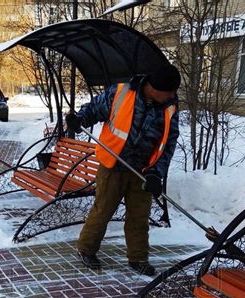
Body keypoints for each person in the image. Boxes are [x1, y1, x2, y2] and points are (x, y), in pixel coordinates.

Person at [65, 64, 181, 276]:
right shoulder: (121, 93)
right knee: (103, 210)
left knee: (139, 216)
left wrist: (157, 172)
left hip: (144, 171)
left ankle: (138, 258)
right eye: (169, 92)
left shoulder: (170, 106)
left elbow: (169, 142)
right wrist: (80, 120)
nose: (172, 96)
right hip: (112, 165)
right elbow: (93, 109)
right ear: (154, 88)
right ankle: (87, 249)